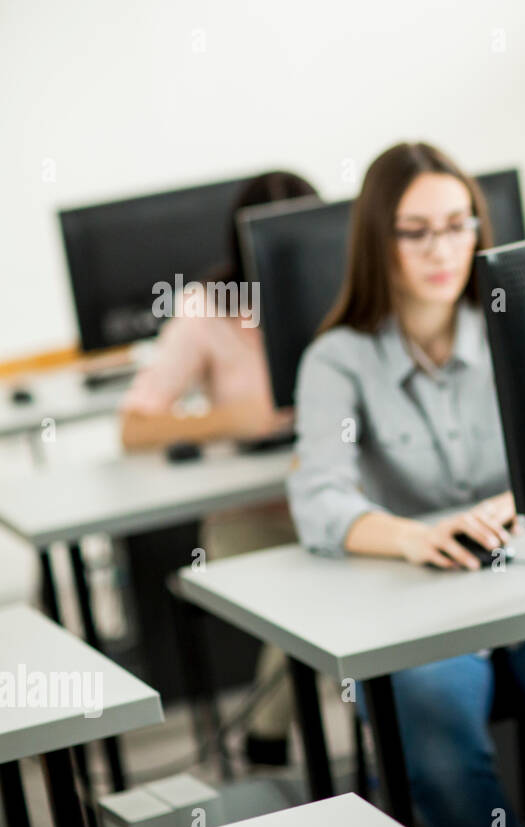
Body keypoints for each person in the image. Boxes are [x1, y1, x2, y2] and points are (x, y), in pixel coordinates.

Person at [287, 142, 525, 827]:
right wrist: (412, 537)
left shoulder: (518, 328)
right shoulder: (337, 359)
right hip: (419, 611)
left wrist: (516, 500)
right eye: (415, 231)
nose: (441, 248)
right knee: (442, 759)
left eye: (458, 225)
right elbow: (319, 497)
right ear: (376, 241)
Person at [118, 170, 319, 766]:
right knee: (313, 598)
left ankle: (291, 738)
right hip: (249, 524)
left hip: (334, 505)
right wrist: (233, 419)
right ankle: (267, 740)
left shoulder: (344, 297)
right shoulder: (206, 310)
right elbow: (135, 427)